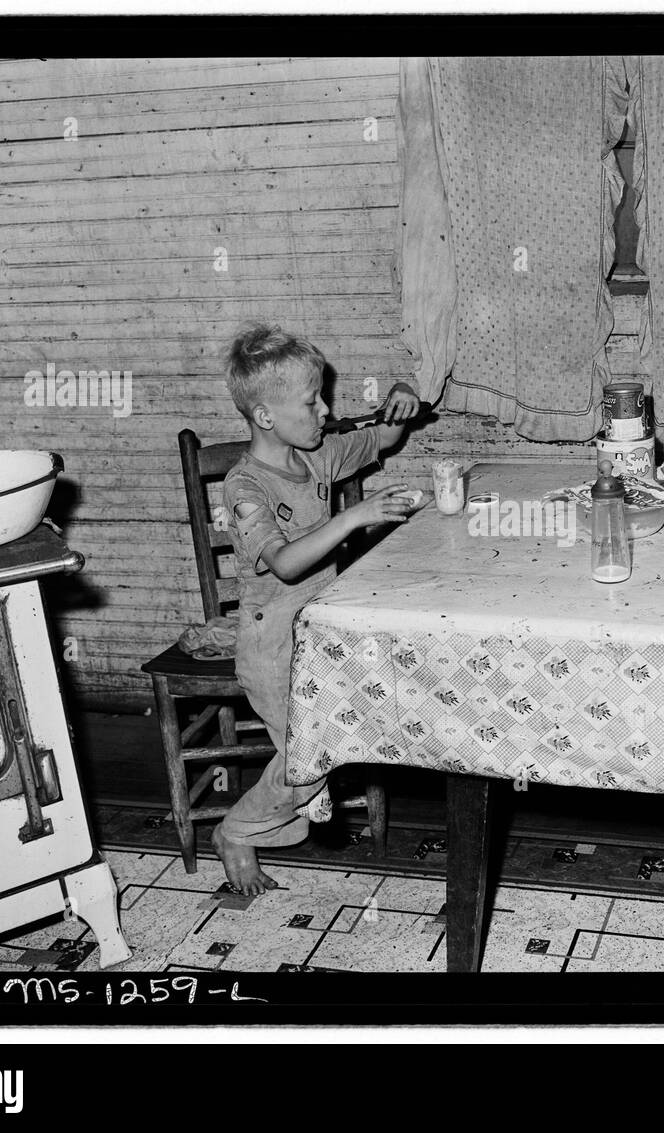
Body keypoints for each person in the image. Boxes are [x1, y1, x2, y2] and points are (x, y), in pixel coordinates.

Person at [213, 322, 420, 894]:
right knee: (310, 758)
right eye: (312, 401)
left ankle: (257, 824)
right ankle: (238, 831)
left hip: (317, 639)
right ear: (265, 417)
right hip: (272, 648)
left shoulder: (316, 458)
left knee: (323, 748)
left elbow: (380, 440)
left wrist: (401, 401)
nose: (327, 409)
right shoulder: (245, 487)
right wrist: (353, 517)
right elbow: (283, 563)